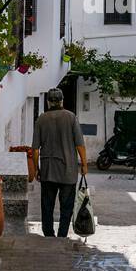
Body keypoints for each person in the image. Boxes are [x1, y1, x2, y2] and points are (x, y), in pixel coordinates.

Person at [31, 88, 88, 237]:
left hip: (48, 170)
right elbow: (80, 144)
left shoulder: (41, 119)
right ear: (62, 101)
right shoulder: (71, 117)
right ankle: (62, 235)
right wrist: (84, 164)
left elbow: (35, 149)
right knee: (67, 206)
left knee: (47, 206)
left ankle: (48, 234)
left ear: (48, 102)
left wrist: (36, 168)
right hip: (68, 171)